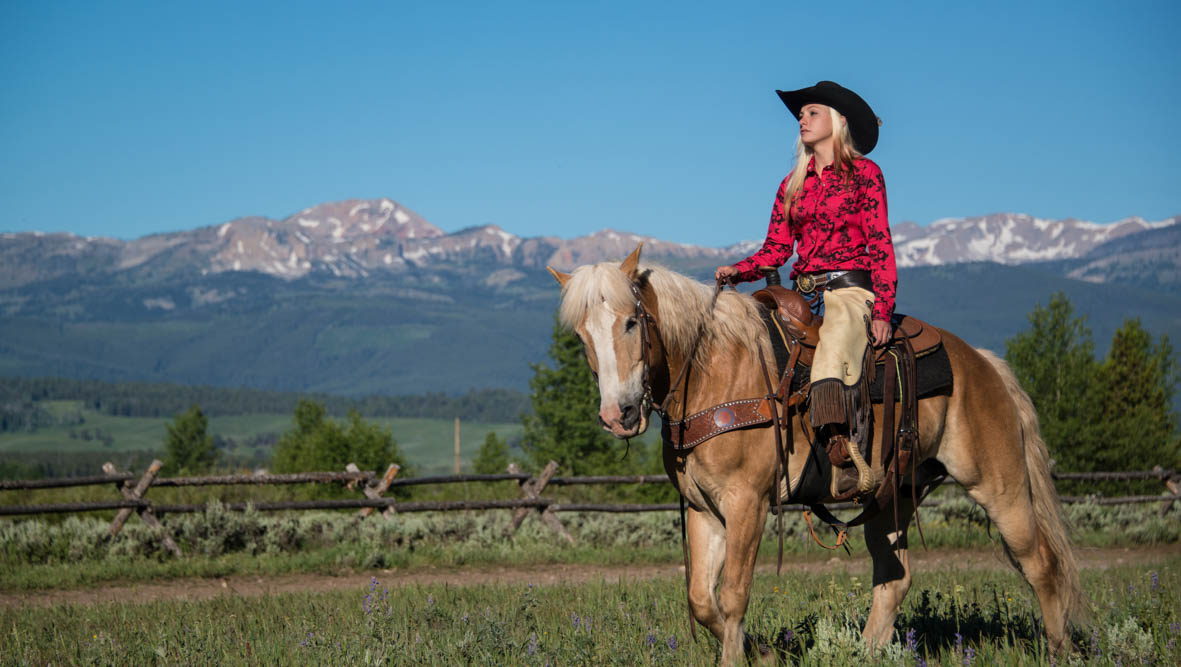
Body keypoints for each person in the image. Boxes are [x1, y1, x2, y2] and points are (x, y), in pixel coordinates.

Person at [715, 81, 898, 483]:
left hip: (850, 290)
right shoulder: (792, 183)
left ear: (838, 121)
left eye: (812, 112)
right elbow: (776, 249)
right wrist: (738, 270)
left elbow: (880, 243)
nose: (802, 119)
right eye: (801, 115)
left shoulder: (866, 175)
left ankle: (845, 454)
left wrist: (882, 310)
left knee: (832, 356)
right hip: (801, 293)